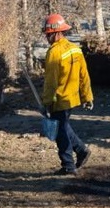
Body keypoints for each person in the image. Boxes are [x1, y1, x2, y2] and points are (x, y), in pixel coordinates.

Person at [40, 13, 93, 174]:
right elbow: (84, 75)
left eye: (48, 34)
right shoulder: (75, 49)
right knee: (64, 126)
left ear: (56, 33)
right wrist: (87, 96)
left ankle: (68, 166)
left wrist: (47, 103)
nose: (47, 37)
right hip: (72, 98)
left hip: (60, 99)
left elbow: (51, 82)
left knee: (60, 132)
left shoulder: (54, 53)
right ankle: (82, 150)